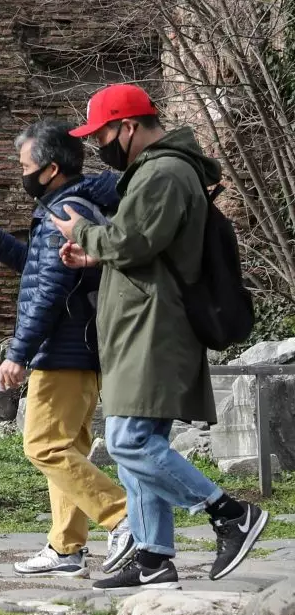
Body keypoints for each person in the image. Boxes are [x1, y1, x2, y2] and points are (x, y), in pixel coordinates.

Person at [50, 84, 267, 587]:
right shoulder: (155, 171)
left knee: (128, 441)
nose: (98, 144)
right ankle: (152, 557)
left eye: (102, 133)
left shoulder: (164, 172)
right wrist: (96, 254)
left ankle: (229, 513)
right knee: (143, 441)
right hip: (139, 323)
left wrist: (83, 232)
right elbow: (143, 251)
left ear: (127, 126)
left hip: (154, 326)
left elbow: (134, 240)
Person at [0, 120, 130, 578]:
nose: (21, 173)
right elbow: (36, 268)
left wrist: (18, 352)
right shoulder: (67, 207)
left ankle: (123, 516)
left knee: (42, 446)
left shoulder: (65, 212)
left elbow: (50, 291)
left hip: (65, 350)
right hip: (80, 348)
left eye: (25, 166)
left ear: (51, 169)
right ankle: (66, 547)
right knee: (67, 447)